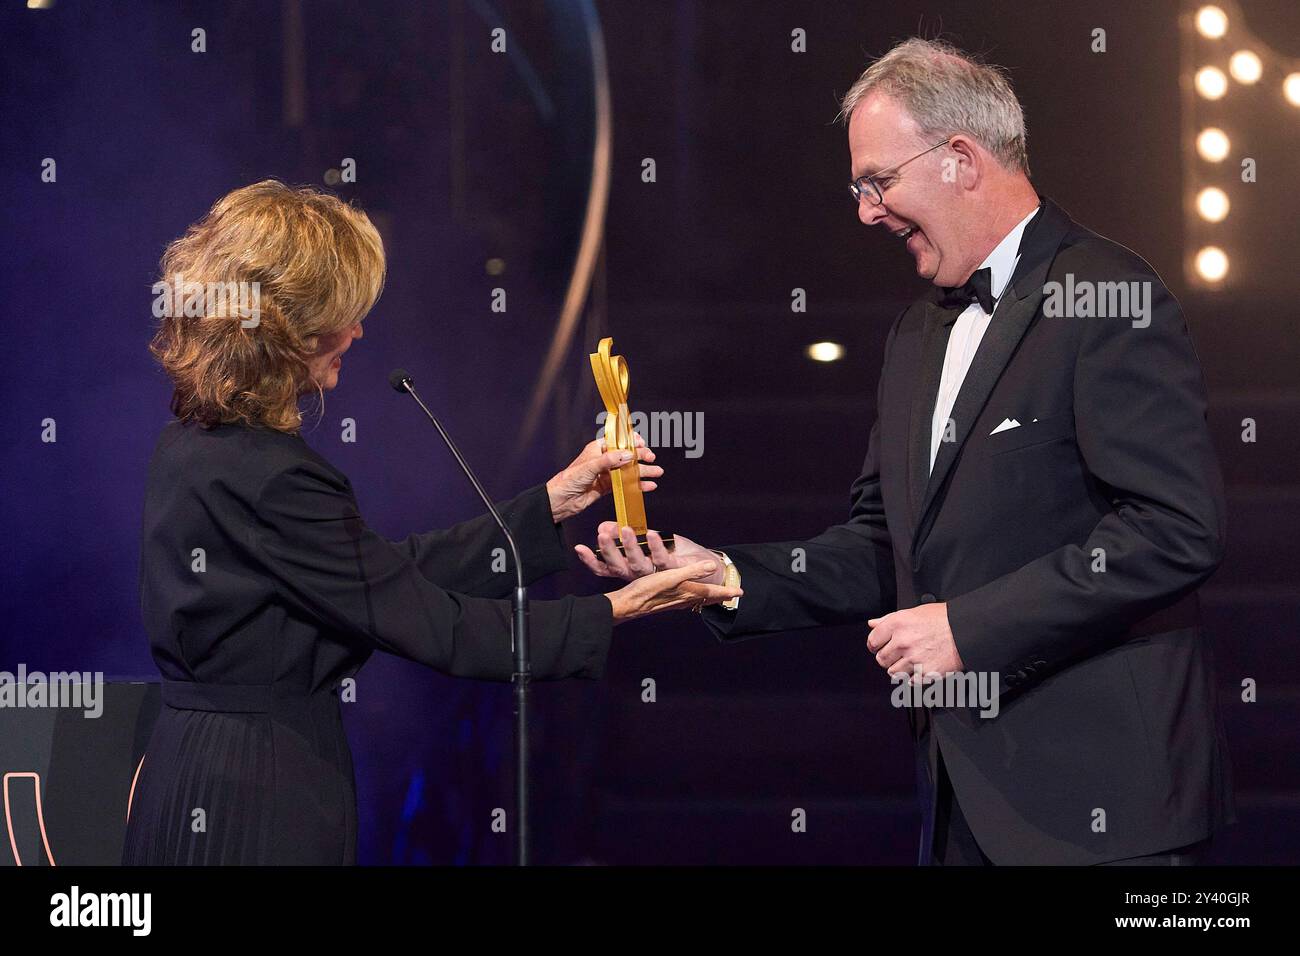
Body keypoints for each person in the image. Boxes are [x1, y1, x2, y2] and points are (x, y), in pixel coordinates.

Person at [578, 39, 1232, 866]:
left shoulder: (1109, 297)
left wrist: (970, 626)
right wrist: (725, 575)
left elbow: (1175, 530)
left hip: (1109, 812)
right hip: (958, 808)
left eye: (877, 182)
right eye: (860, 188)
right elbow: (883, 543)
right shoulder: (916, 333)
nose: (866, 212)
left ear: (960, 158)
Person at [123, 180, 740, 865]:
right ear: (286, 331)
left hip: (195, 770)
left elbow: (379, 579)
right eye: (344, 315)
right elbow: (440, 627)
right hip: (256, 794)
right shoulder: (273, 477)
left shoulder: (197, 444)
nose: (357, 333)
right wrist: (621, 608)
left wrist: (553, 502)